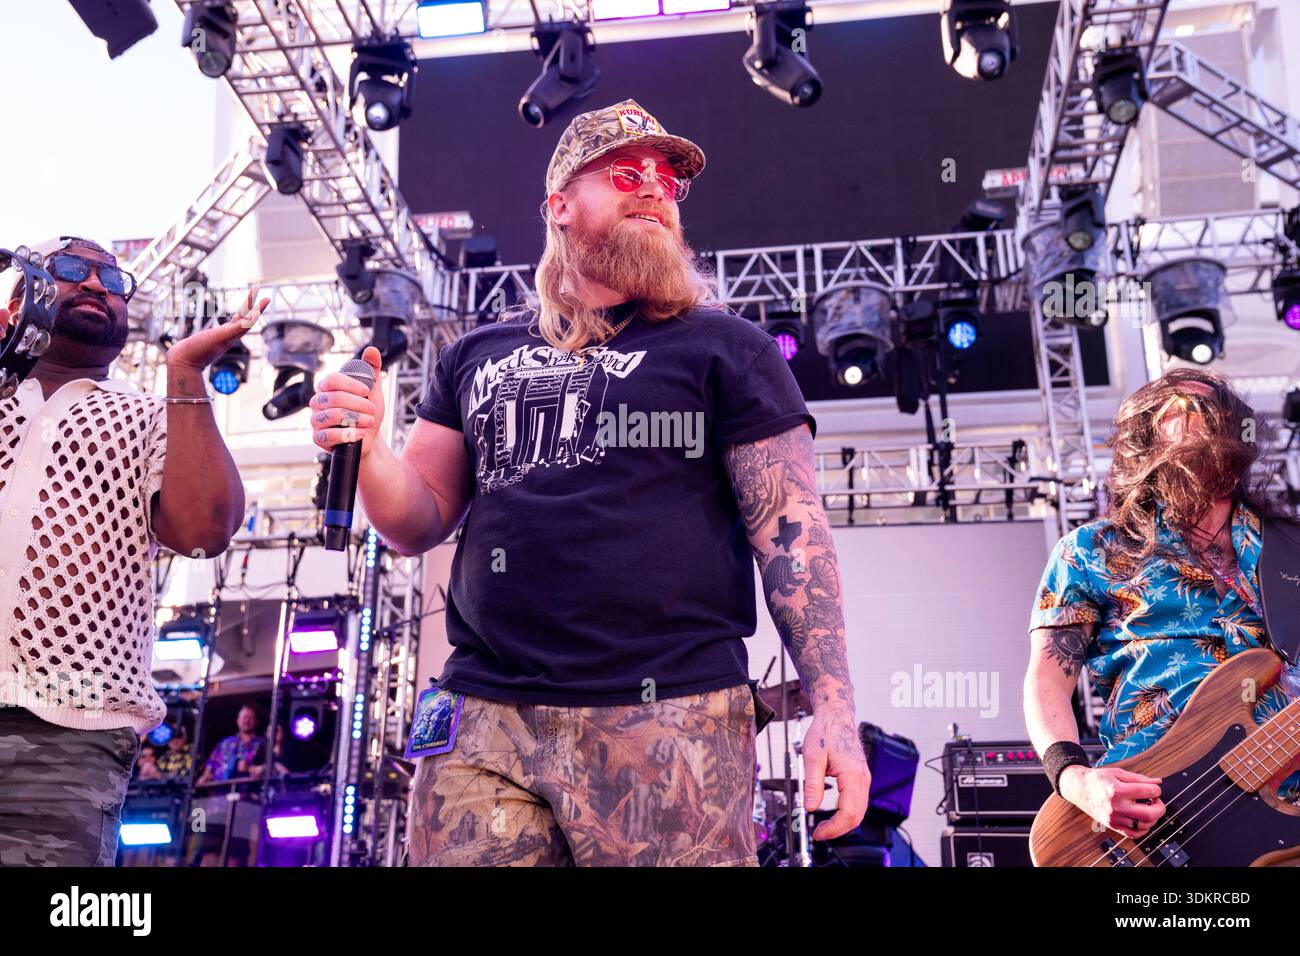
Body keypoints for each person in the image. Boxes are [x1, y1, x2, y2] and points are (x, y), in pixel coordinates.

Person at [310, 99, 870, 866]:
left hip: (671, 720)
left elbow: (792, 531)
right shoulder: (476, 354)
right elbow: (417, 520)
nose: (655, 190)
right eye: (626, 174)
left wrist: (835, 708)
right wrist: (371, 449)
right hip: (483, 717)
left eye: (669, 183)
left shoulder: (726, 348)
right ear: (560, 206)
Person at [0, 236, 262, 865]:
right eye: (71, 270)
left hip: (66, 730)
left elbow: (205, 530)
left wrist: (185, 376)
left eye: (113, 282)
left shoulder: (151, 415)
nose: (96, 286)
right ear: (20, 295)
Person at [1025, 367, 1300, 846]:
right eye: (1180, 409)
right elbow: (1047, 677)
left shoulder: (1290, 547)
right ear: (1145, 441)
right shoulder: (1092, 549)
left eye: (1211, 409)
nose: (1198, 420)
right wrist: (1076, 781)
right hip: (1156, 816)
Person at [195, 705, 267, 785]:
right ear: (238, 721)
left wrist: (255, 769)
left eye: (250, 718)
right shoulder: (226, 743)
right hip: (223, 791)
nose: (247, 720)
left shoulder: (263, 743)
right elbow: (212, 765)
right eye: (244, 717)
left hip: (250, 790)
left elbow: (271, 765)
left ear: (256, 721)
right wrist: (205, 777)